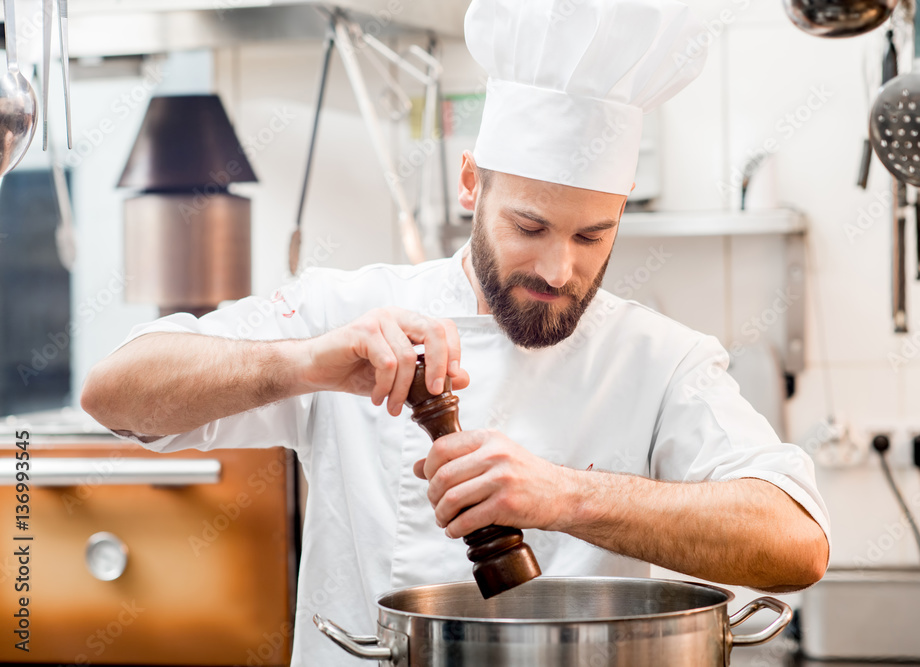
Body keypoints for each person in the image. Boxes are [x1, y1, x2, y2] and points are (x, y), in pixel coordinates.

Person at [82, 0, 830, 664]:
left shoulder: (662, 360)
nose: (559, 268)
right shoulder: (352, 311)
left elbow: (797, 541)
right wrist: (305, 361)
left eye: (593, 235)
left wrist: (566, 496)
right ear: (472, 184)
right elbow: (113, 393)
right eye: (529, 225)